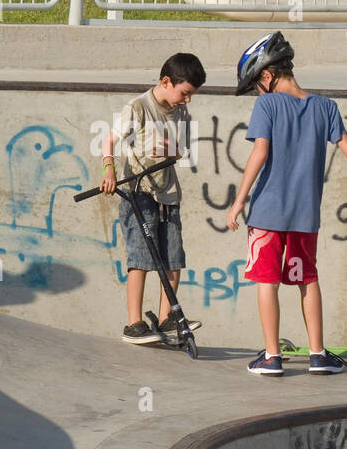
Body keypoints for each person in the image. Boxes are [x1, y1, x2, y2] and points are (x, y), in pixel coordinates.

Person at [226, 31, 347, 376]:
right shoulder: (326, 107)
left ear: (267, 74)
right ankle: (318, 355)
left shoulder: (267, 104)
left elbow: (259, 153)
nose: (256, 92)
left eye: (254, 85)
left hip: (266, 214)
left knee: (268, 282)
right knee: (308, 279)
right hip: (305, 216)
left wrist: (238, 202)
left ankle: (272, 357)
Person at [98, 52, 207, 343]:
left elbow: (182, 152)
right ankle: (134, 324)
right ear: (166, 82)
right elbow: (109, 140)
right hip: (139, 194)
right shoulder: (138, 108)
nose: (186, 100)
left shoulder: (181, 112)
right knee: (141, 258)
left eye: (191, 95)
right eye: (184, 93)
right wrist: (108, 169)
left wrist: (173, 149)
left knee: (173, 257)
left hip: (168, 195)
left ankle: (166, 318)